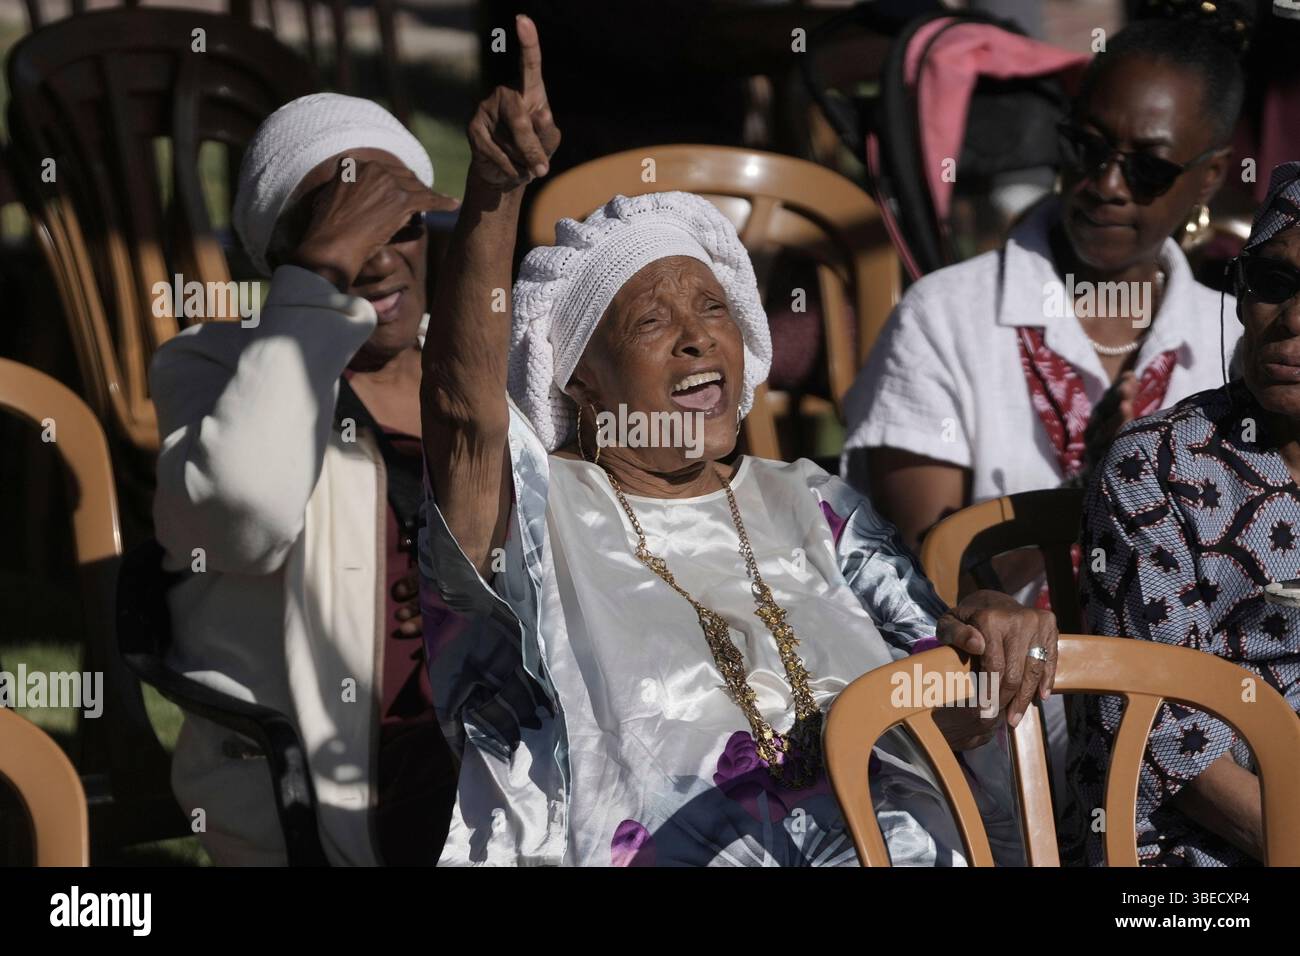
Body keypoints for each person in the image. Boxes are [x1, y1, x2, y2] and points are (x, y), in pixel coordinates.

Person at [418, 15, 1058, 867]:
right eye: (651, 319)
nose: (697, 337)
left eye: (713, 306)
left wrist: (988, 647)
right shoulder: (535, 517)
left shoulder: (816, 504)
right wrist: (497, 190)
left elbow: (946, 699)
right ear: (581, 379)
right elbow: (465, 415)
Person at [151, 94, 459, 865]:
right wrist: (319, 287)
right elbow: (244, 515)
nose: (381, 257)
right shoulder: (214, 367)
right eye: (344, 233)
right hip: (335, 803)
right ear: (282, 261)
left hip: (488, 769)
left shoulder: (479, 371)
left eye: (401, 222)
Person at [841, 18, 1247, 556]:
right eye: (1086, 147)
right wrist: (1094, 484)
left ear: (1213, 175)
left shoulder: (1235, 341)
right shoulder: (945, 317)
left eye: (1148, 169)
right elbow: (928, 577)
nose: (1106, 185)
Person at [1066, 162, 1300, 867]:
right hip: (1193, 848)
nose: (1291, 320)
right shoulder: (1161, 466)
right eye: (1272, 283)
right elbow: (1160, 727)